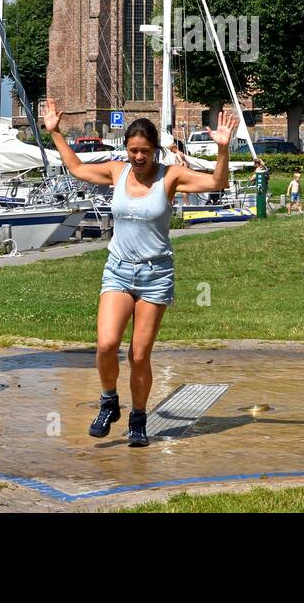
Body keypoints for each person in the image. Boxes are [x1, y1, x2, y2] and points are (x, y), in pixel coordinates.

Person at [41, 97, 235, 447]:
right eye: (133, 150)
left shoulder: (171, 176)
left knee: (139, 355)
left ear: (156, 150)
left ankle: (138, 418)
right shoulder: (118, 170)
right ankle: (109, 400)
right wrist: (54, 132)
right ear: (126, 149)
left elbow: (217, 183)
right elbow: (77, 169)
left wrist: (223, 150)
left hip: (155, 275)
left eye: (145, 151)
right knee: (106, 344)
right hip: (117, 271)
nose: (139, 157)